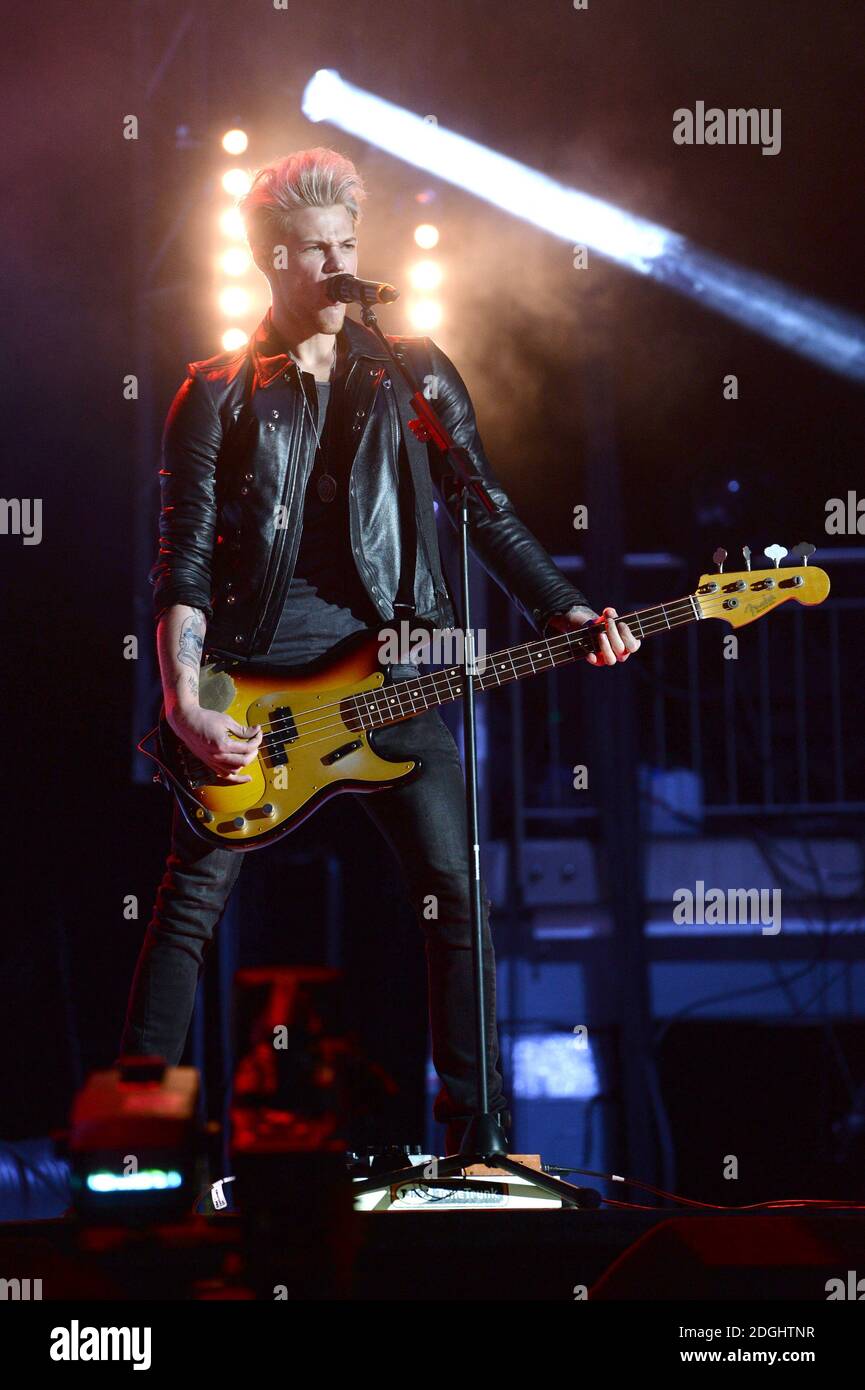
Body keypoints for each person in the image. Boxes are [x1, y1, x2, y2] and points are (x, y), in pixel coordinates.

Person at [119, 146, 640, 1156]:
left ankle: (478, 1143)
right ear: (272, 260)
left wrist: (565, 609)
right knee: (188, 909)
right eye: (318, 248)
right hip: (259, 677)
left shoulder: (413, 371)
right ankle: (133, 1138)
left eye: (350, 241)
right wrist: (185, 700)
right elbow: (178, 563)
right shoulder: (215, 396)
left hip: (395, 674)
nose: (342, 262)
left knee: (456, 896)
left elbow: (484, 509)